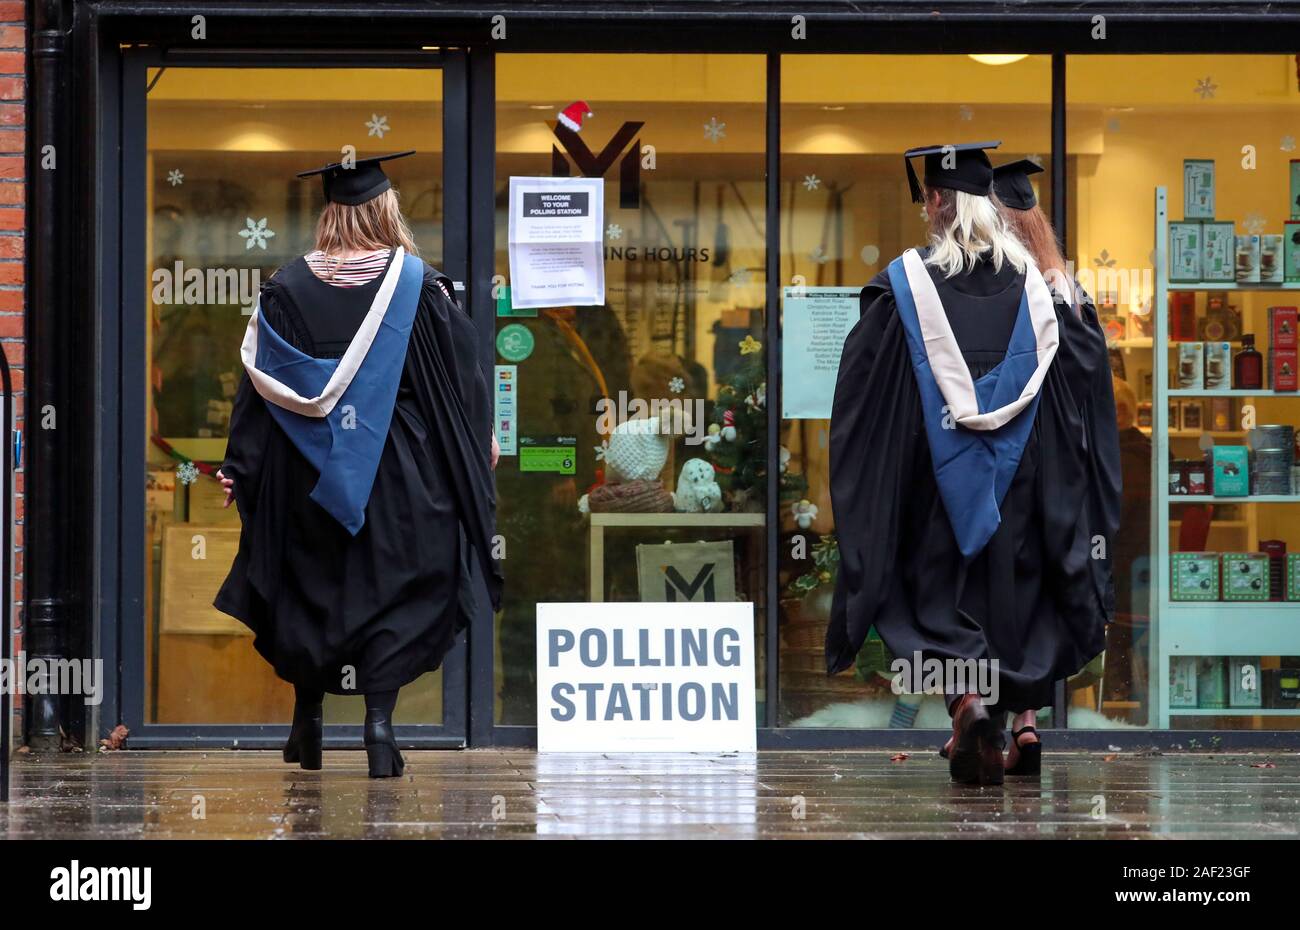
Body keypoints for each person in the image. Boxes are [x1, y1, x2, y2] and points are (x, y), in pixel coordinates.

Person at [826, 141, 1122, 785]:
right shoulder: (1047, 294)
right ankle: (1017, 716)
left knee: (934, 598)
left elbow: (862, 403)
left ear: (936, 201)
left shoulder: (903, 288)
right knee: (1015, 600)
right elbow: (1086, 392)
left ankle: (965, 702)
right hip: (1028, 487)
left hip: (936, 483)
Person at [213, 151, 503, 777]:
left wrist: (241, 466)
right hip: (397, 470)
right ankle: (379, 728)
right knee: (392, 592)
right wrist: (478, 445)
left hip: (304, 469)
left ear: (328, 215)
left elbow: (257, 387)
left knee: (311, 589)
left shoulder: (284, 287)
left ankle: (308, 722)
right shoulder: (417, 286)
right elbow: (461, 381)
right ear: (385, 209)